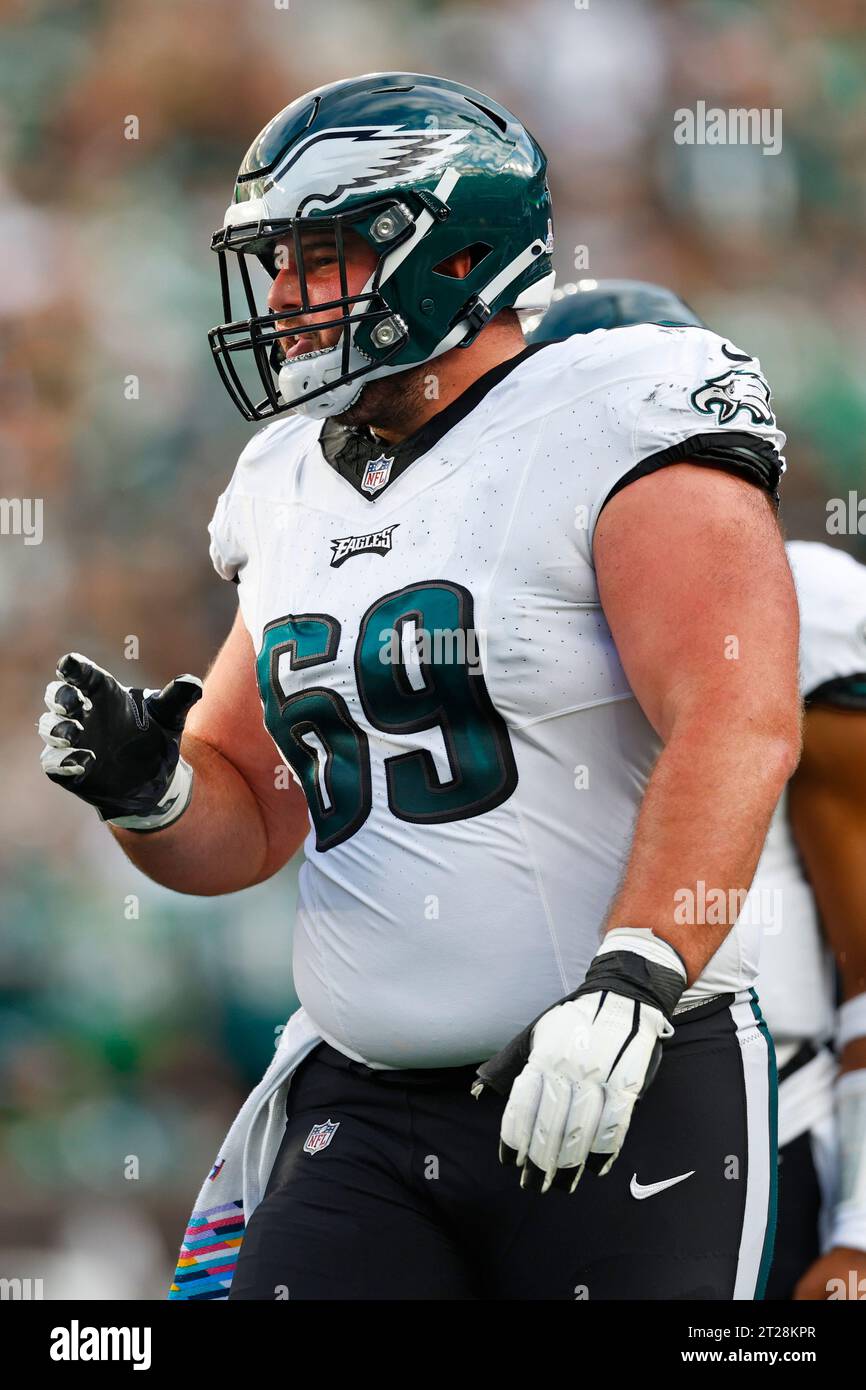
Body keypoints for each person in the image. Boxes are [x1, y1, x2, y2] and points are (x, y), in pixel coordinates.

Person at [38, 74, 799, 1300]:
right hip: (366, 1103)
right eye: (275, 264)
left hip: (623, 1078)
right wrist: (150, 791)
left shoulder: (612, 409)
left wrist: (638, 974)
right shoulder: (286, 474)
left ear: (450, 260)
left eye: (320, 258)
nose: (281, 299)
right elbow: (251, 817)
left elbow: (737, 715)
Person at [535, 279, 866, 1301]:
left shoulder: (796, 597)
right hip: (515, 1134)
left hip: (753, 1123)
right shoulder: (483, 606)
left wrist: (861, 1225)